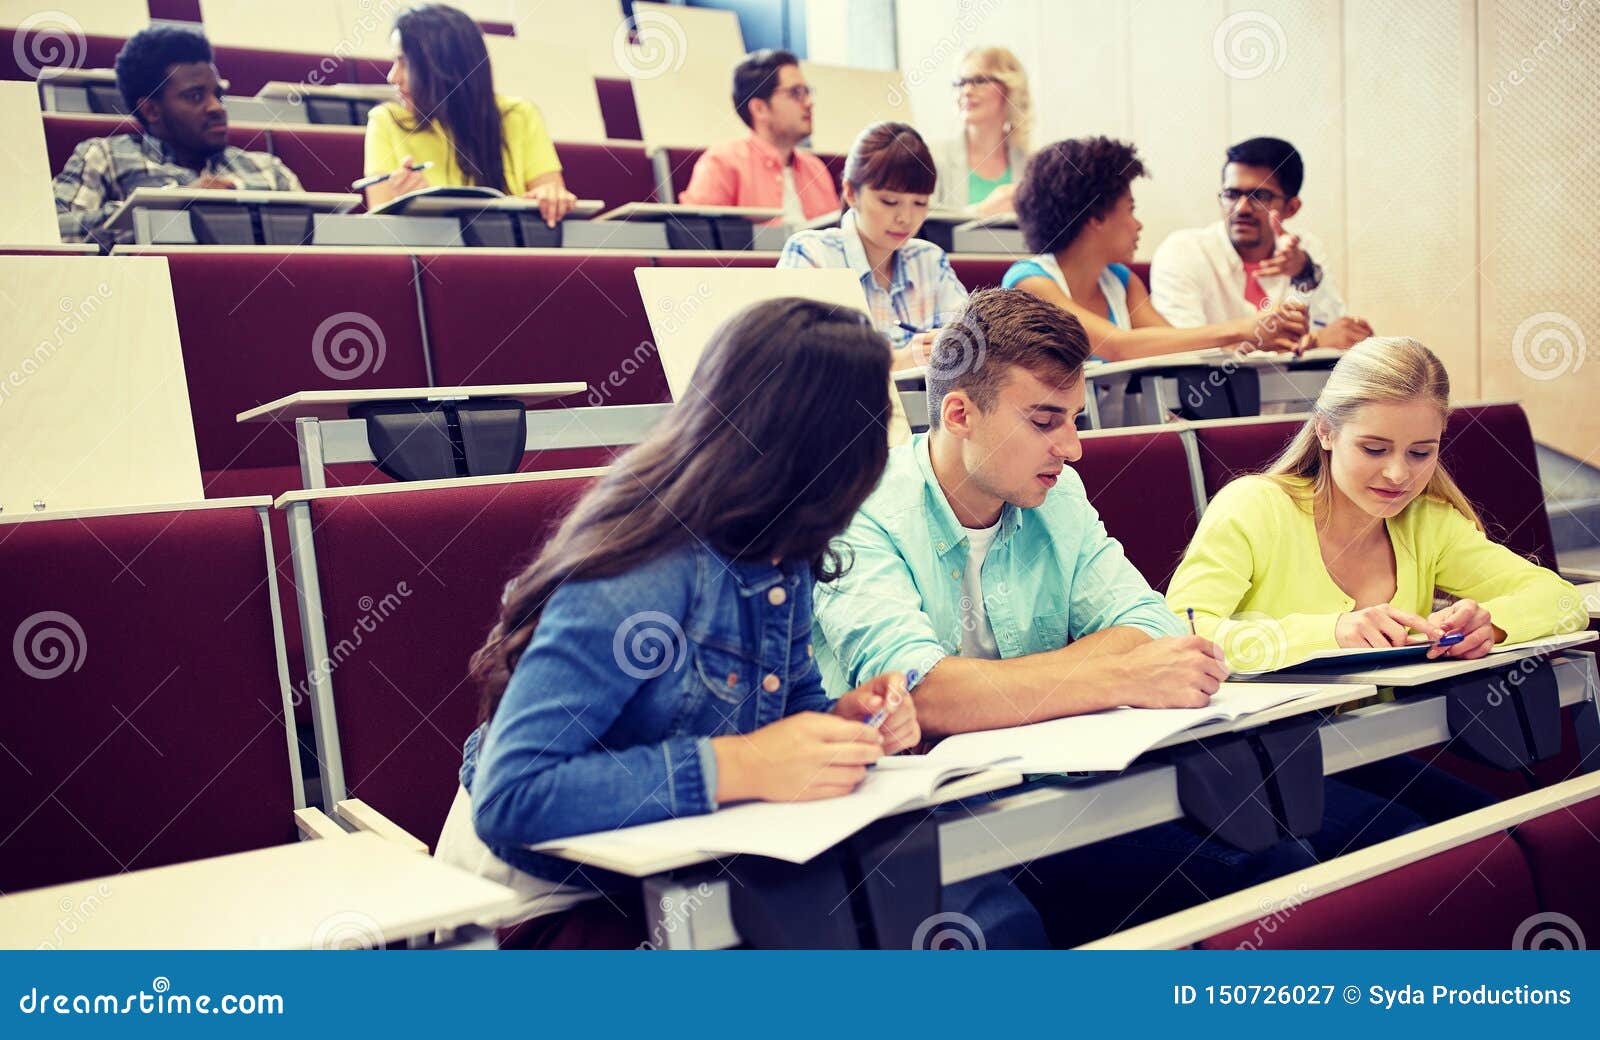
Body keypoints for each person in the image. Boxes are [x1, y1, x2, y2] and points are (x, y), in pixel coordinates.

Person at [811, 288, 1423, 946]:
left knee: (1275, 869)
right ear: (959, 412)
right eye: (1046, 422)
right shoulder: (859, 506)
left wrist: (1006, 689)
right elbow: (924, 691)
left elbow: (1151, 624)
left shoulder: (1056, 491)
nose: (1072, 448)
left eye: (1075, 418)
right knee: (1002, 935)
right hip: (906, 825)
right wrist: (1117, 678)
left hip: (1045, 794)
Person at [433, 297, 1045, 948]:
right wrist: (738, 766)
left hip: (686, 881)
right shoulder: (638, 578)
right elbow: (514, 795)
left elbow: (784, 708)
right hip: (547, 911)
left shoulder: (783, 547)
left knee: (956, 913)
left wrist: (841, 725)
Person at [1166, 337, 1586, 822]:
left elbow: (1558, 599)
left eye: (1420, 453)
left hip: (1363, 751)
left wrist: (1489, 627)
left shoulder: (1426, 522)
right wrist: (1332, 633)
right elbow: (1181, 633)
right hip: (1252, 763)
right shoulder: (1256, 506)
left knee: (1493, 826)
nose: (1397, 474)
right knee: (1425, 846)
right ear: (1325, 431)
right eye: (1374, 448)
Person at [1004, 136, 1307, 363]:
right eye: (1130, 210)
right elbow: (1118, 347)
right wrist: (1243, 328)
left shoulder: (1122, 282)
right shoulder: (1030, 283)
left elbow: (1179, 347)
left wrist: (1258, 338)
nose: (1138, 225)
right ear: (1096, 216)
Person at [52, 24, 302, 246]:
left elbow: (322, 247)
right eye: (195, 96)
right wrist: (170, 204)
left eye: (218, 95)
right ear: (151, 110)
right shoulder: (104, 156)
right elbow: (56, 232)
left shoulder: (269, 169)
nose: (216, 107)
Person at [777, 121, 968, 371]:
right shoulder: (812, 254)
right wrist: (891, 361)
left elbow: (970, 339)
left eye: (920, 203)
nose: (905, 218)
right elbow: (791, 354)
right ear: (851, 192)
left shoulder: (929, 259)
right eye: (889, 201)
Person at [362, 3, 576, 225]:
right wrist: (410, 206)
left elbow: (551, 199)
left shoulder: (519, 115)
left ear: (444, 68)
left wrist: (551, 197)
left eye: (405, 63)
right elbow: (380, 231)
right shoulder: (385, 121)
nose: (392, 77)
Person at [1151, 136, 1372, 350]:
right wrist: (1311, 343)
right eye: (1231, 194)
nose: (1241, 208)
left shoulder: (1304, 250)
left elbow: (1338, 334)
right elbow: (1185, 353)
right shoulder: (1183, 251)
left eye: (1260, 196)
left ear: (1291, 208)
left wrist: (1304, 272)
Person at [678, 49, 841, 223]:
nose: (809, 103)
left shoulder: (816, 169)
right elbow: (696, 238)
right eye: (796, 93)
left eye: (807, 92)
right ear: (759, 108)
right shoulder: (722, 162)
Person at [930, 46, 1031, 215]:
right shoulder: (932, 157)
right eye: (960, 83)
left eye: (979, 81)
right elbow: (922, 228)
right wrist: (980, 212)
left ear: (1009, 88)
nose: (967, 91)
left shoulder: (1030, 165)